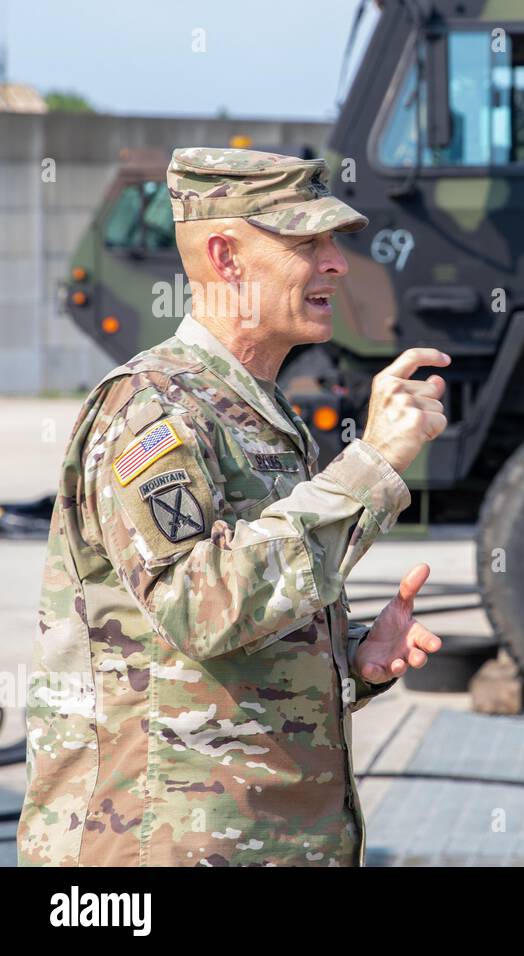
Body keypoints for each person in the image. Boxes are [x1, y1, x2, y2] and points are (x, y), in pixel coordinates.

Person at [19, 147, 449, 866]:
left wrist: (350, 663)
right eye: (307, 242)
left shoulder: (260, 415)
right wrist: (372, 465)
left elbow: (225, 647)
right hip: (160, 847)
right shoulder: (151, 410)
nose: (336, 263)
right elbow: (198, 605)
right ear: (226, 255)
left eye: (334, 242)